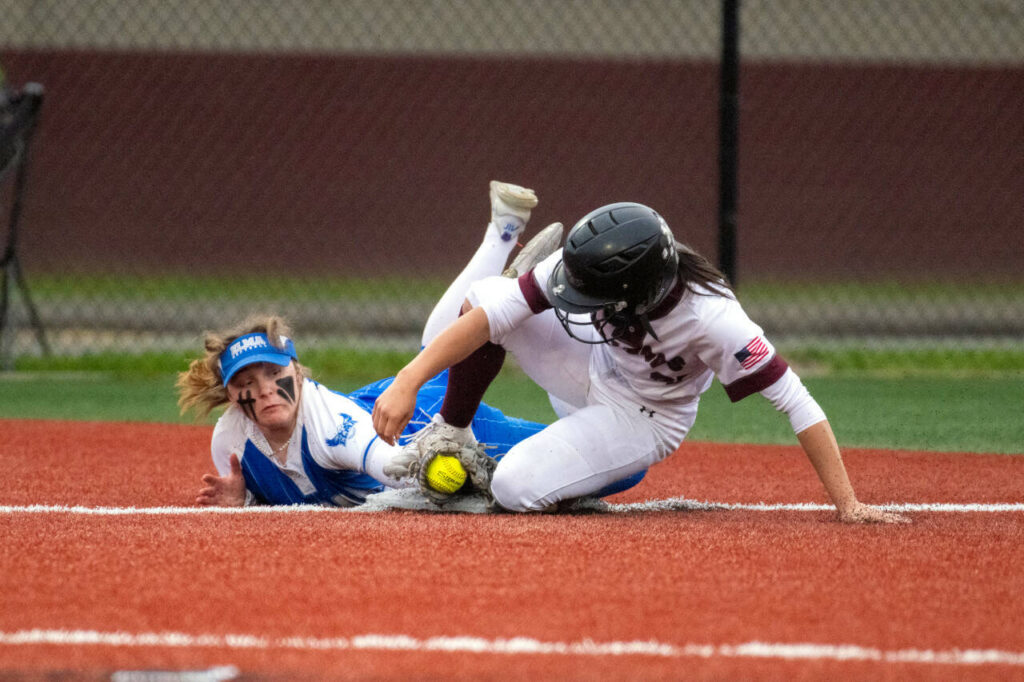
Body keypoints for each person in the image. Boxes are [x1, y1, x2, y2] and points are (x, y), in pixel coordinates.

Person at [372, 191, 910, 523]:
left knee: (514, 489)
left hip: (646, 417)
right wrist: (408, 379)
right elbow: (488, 320)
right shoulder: (593, 261)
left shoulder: (715, 319)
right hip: (594, 363)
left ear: (637, 290)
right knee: (488, 300)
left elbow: (795, 400)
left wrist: (849, 504)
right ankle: (454, 433)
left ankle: (552, 477)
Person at [176, 181, 644, 507]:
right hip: (400, 403)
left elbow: (395, 464)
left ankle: (541, 331)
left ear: (297, 371)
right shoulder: (232, 443)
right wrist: (246, 498)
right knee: (435, 349)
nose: (261, 389)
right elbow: (275, 488)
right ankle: (501, 237)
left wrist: (440, 472)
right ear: (231, 397)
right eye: (245, 382)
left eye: (272, 373)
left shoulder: (329, 426)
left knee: (625, 470)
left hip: (432, 429)